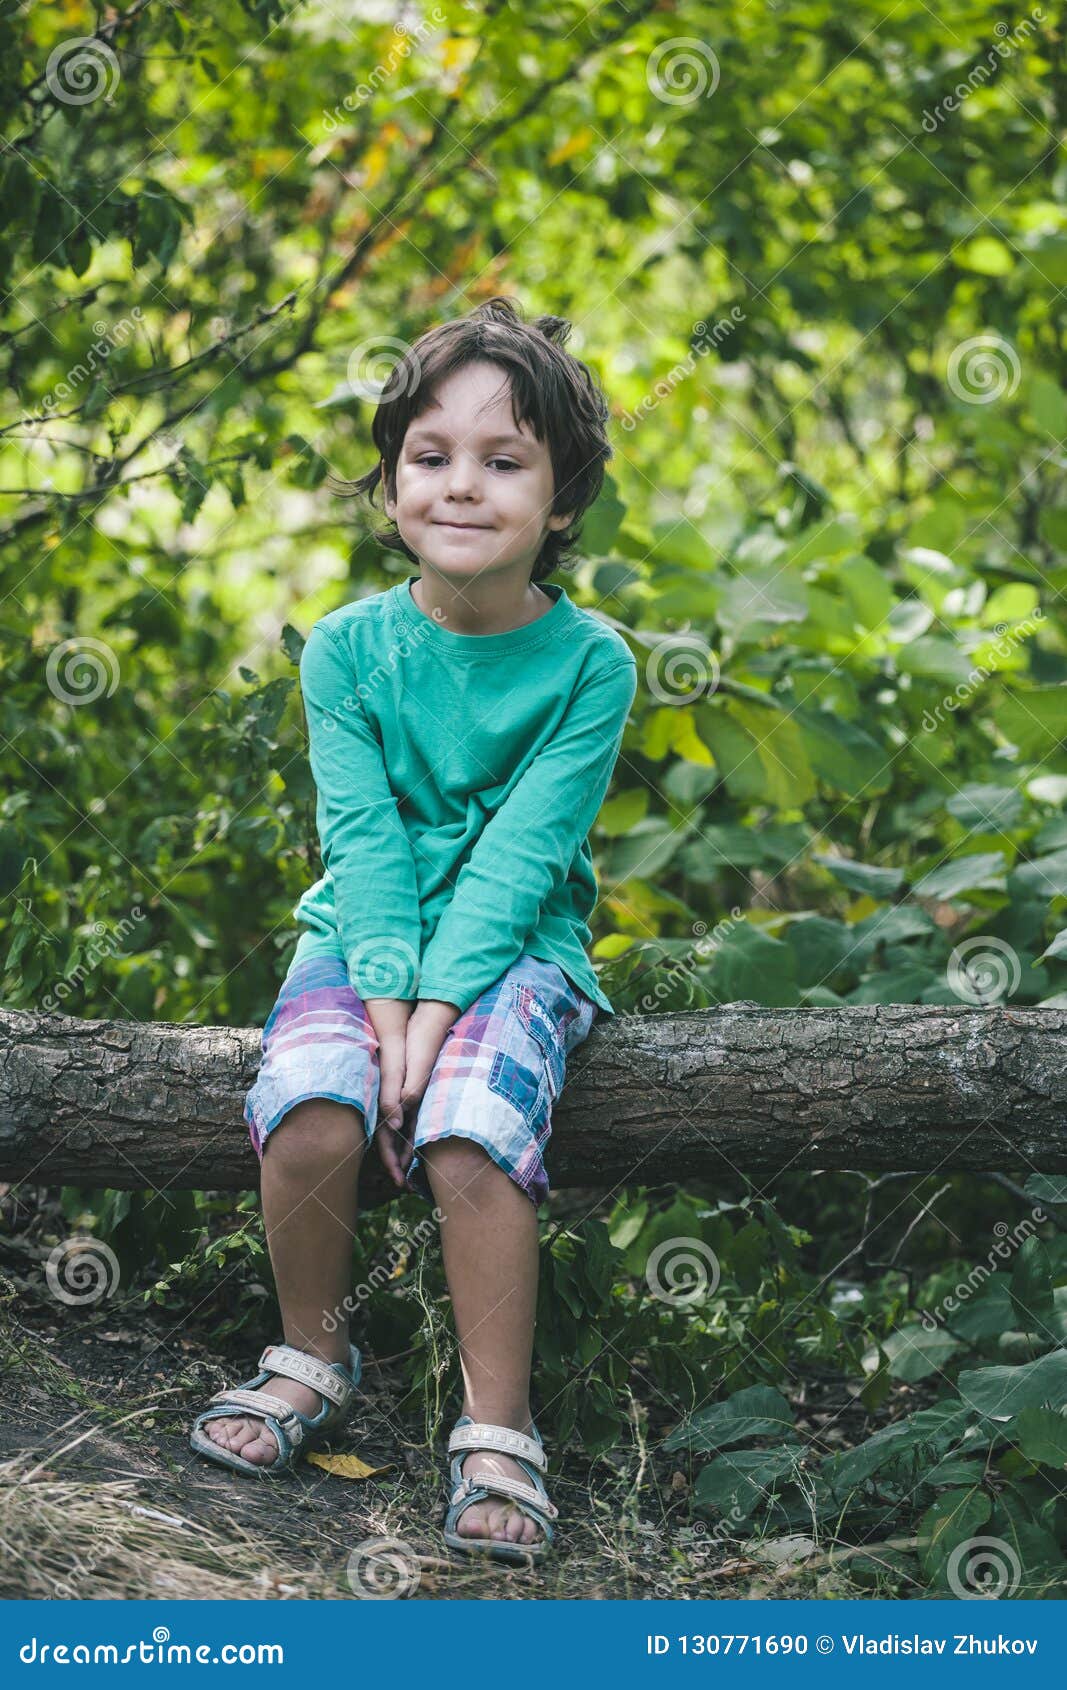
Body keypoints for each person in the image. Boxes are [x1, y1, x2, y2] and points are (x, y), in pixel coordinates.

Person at [189, 296, 637, 1565]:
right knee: (319, 1103)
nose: (459, 486)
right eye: (429, 457)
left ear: (558, 503)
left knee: (464, 1131)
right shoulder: (345, 650)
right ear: (388, 486)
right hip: (361, 938)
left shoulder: (591, 664)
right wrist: (382, 1011)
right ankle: (309, 1358)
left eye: (503, 462)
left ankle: (497, 1427)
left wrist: (436, 1024)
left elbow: (519, 861)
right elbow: (366, 845)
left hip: (516, 950)